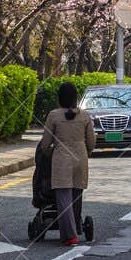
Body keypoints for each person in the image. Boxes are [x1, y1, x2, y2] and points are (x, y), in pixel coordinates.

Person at [40, 82, 96, 245]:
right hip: (80, 158)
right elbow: (91, 141)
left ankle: (70, 235)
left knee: (63, 197)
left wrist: (48, 154)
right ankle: (76, 227)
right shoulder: (84, 116)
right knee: (76, 195)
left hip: (61, 159)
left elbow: (45, 143)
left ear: (60, 97)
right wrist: (86, 152)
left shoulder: (53, 115)